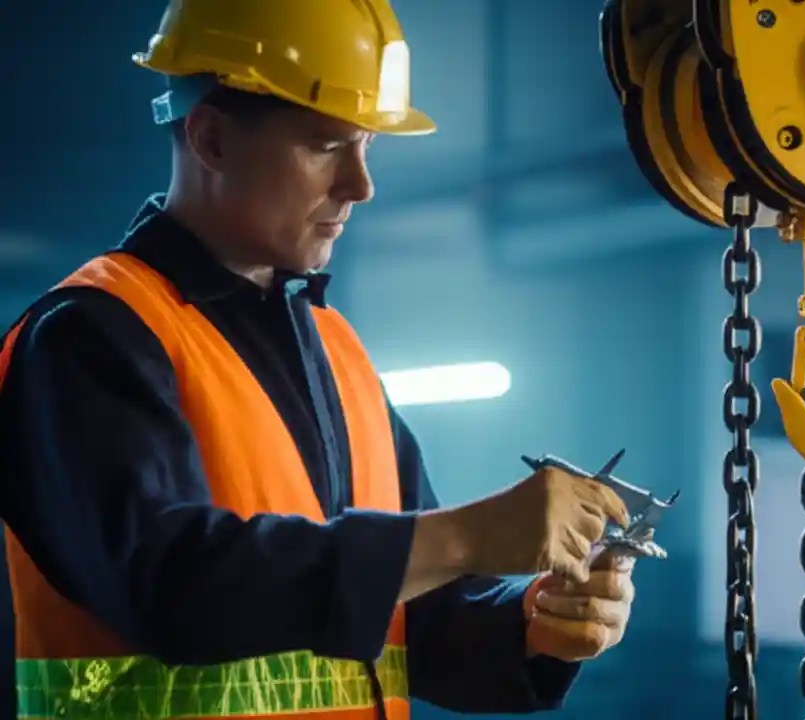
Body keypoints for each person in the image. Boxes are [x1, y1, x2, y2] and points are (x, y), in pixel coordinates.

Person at [0, 1, 640, 718]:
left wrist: (534, 625)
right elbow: (173, 588)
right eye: (327, 145)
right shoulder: (88, 336)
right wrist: (465, 537)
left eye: (366, 146)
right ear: (211, 138)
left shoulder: (336, 350)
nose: (360, 186)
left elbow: (405, 620)